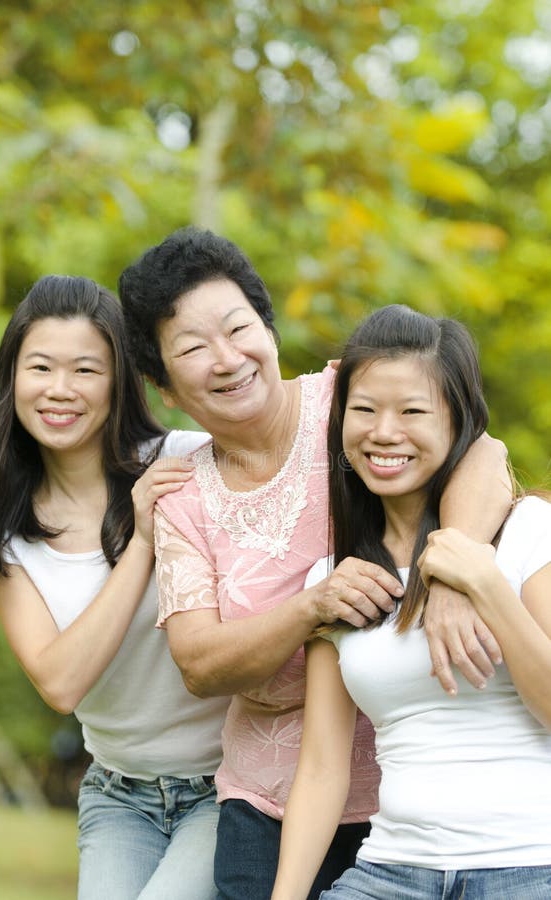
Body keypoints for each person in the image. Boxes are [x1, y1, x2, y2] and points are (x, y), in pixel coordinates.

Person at [118, 227, 513, 900]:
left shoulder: (348, 401)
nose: (226, 358)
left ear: (268, 331)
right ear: (165, 392)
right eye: (191, 349)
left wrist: (450, 574)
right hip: (272, 807)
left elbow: (485, 453)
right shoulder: (182, 499)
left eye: (238, 327)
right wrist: (311, 607)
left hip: (416, 799)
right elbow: (199, 663)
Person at [0, 275, 230, 900]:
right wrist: (139, 543)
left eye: (85, 369)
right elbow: (59, 681)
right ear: (13, 378)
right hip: (118, 794)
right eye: (42, 367)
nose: (60, 390)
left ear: (117, 382)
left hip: (229, 783)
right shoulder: (9, 522)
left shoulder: (186, 462)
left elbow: (308, 452)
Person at [271, 304, 551, 900]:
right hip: (391, 871)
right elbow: (322, 769)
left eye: (413, 412)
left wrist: (477, 580)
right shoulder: (339, 581)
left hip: (530, 865)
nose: (384, 433)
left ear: (458, 423)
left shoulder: (527, 532)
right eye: (365, 410)